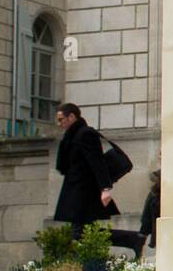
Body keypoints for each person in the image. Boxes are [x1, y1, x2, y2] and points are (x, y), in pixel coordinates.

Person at [53, 104, 141, 257]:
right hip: (77, 191)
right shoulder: (71, 136)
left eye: (61, 120)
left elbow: (97, 162)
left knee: (79, 232)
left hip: (85, 192)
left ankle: (132, 240)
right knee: (82, 231)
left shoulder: (85, 134)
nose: (59, 124)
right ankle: (132, 240)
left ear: (72, 117)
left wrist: (105, 188)